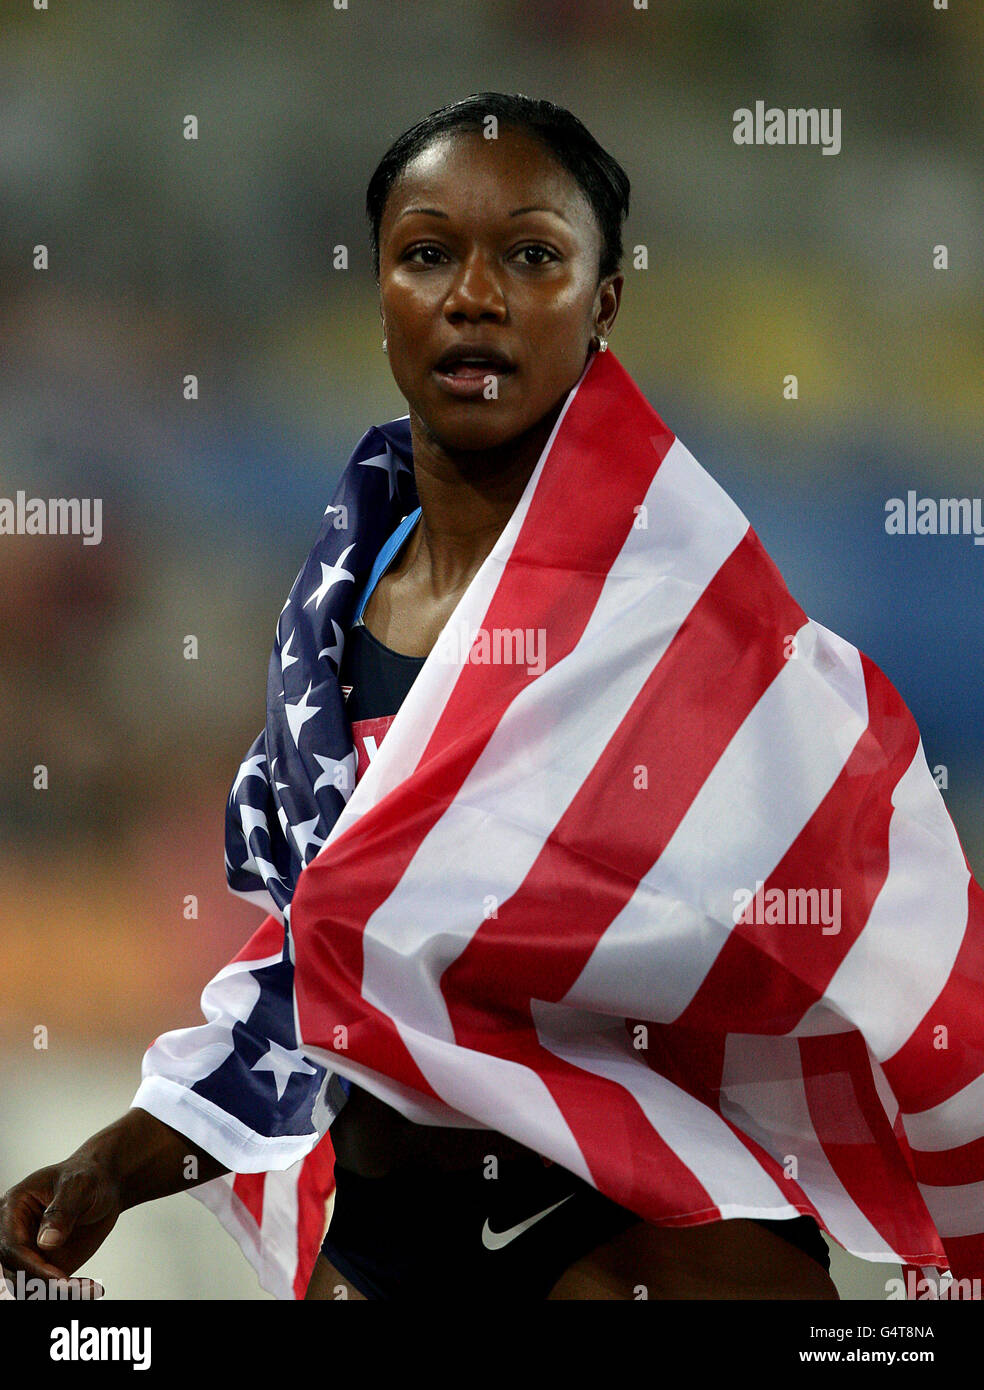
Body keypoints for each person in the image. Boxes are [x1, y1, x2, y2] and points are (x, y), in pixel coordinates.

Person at [1, 95, 977, 1302]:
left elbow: (900, 935)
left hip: (642, 1244)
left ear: (603, 299)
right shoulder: (328, 605)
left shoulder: (691, 630)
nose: (475, 296)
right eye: (426, 255)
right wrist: (113, 1163)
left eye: (532, 255)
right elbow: (326, 964)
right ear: (379, 294)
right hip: (379, 1245)